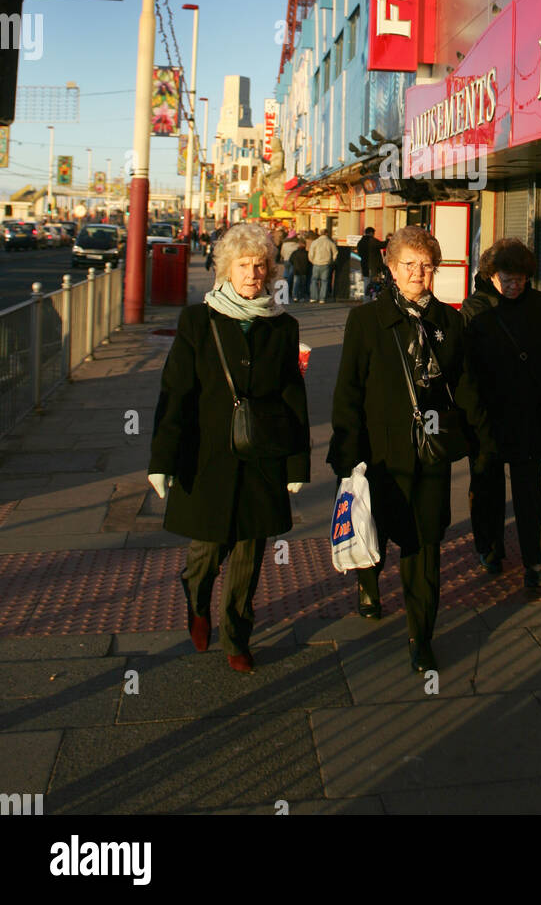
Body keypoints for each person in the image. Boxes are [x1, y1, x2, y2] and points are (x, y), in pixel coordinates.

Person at [328, 225, 495, 675]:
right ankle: (368, 584)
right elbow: (348, 390)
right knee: (375, 529)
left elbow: (464, 385)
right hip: (380, 452)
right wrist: (346, 450)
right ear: (392, 267)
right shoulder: (366, 321)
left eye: (427, 265)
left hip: (431, 453)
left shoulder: (448, 319)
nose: (419, 273)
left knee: (425, 543)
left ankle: (421, 634)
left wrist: (476, 437)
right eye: (410, 265)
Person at [147, 222, 310, 671]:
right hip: (207, 456)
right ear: (225, 269)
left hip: (261, 456)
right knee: (206, 550)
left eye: (260, 266)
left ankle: (236, 636)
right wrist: (162, 460)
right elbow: (175, 392)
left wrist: (296, 465)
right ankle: (197, 598)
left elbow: (293, 399)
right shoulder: (197, 322)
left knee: (248, 553)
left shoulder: (283, 327)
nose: (253, 274)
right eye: (243, 265)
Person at [462, 238, 541, 588]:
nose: (515, 285)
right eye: (508, 278)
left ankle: (535, 563)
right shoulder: (474, 310)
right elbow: (465, 373)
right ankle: (489, 549)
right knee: (486, 487)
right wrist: (470, 418)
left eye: (521, 278)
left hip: (529, 414)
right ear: (490, 275)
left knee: (531, 492)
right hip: (486, 418)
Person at [308, 227, 338, 303]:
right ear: (327, 233)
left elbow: (311, 254)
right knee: (324, 281)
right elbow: (335, 253)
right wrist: (332, 261)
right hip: (326, 263)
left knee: (314, 280)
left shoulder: (315, 242)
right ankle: (322, 298)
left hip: (316, 263)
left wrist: (313, 261)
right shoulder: (330, 242)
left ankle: (314, 297)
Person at [357, 226, 386, 297]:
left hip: (364, 265)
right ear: (371, 233)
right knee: (374, 283)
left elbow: (359, 253)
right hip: (374, 266)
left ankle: (366, 299)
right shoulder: (372, 241)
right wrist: (390, 240)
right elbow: (382, 245)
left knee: (366, 283)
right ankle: (373, 298)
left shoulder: (360, 242)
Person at [288, 236, 310, 303]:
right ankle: (302, 296)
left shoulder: (295, 252)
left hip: (296, 271)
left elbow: (290, 260)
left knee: (295, 285)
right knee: (303, 285)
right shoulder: (307, 253)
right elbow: (309, 262)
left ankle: (295, 296)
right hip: (304, 271)